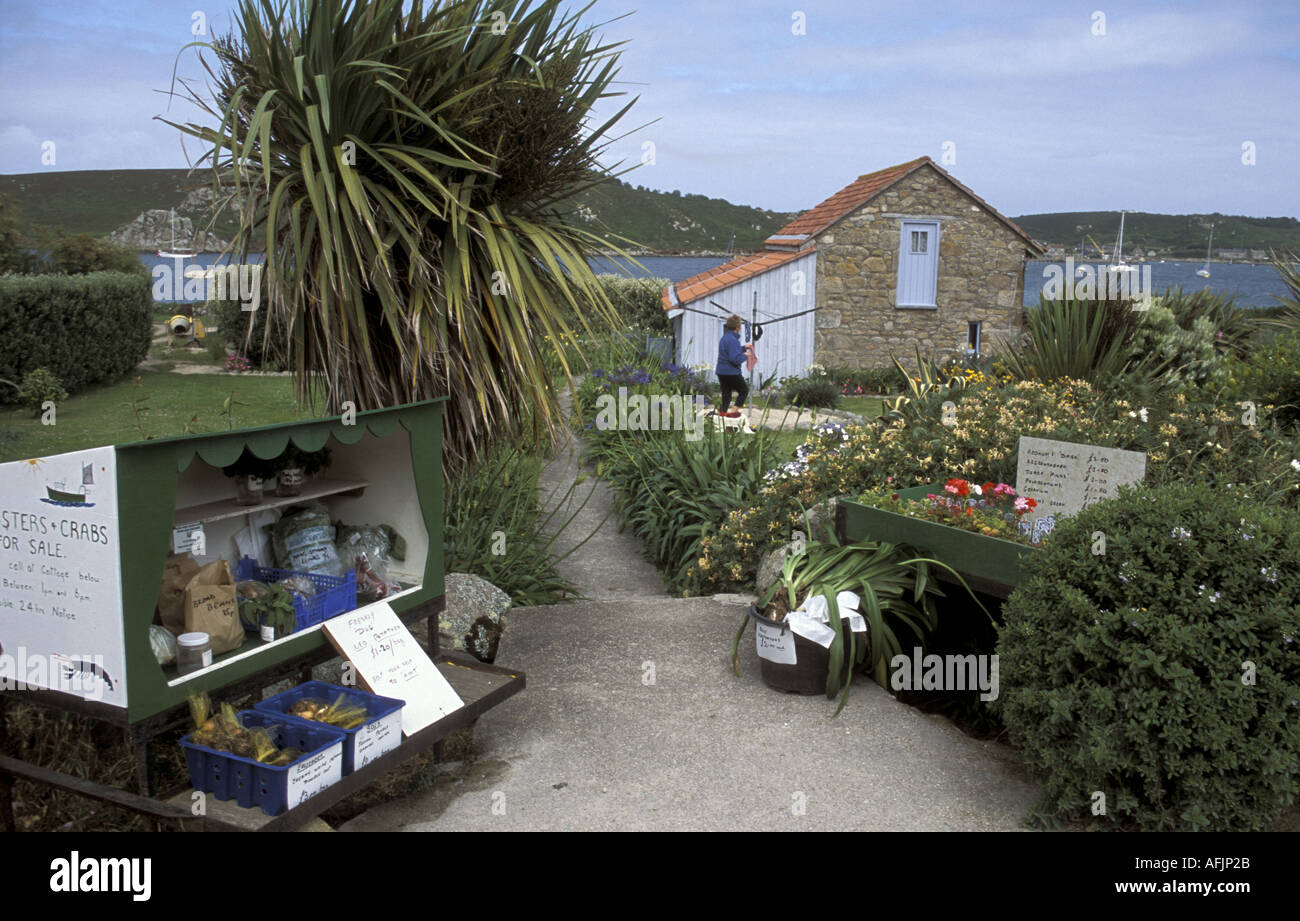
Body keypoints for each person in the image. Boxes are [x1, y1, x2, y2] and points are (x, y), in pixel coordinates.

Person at [715, 315, 753, 415]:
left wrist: (743, 347)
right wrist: (745, 355)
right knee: (744, 390)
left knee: (726, 394)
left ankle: (722, 415)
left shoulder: (725, 338)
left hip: (721, 371)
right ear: (738, 327)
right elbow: (734, 359)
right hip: (731, 372)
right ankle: (733, 412)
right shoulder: (733, 340)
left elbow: (731, 351)